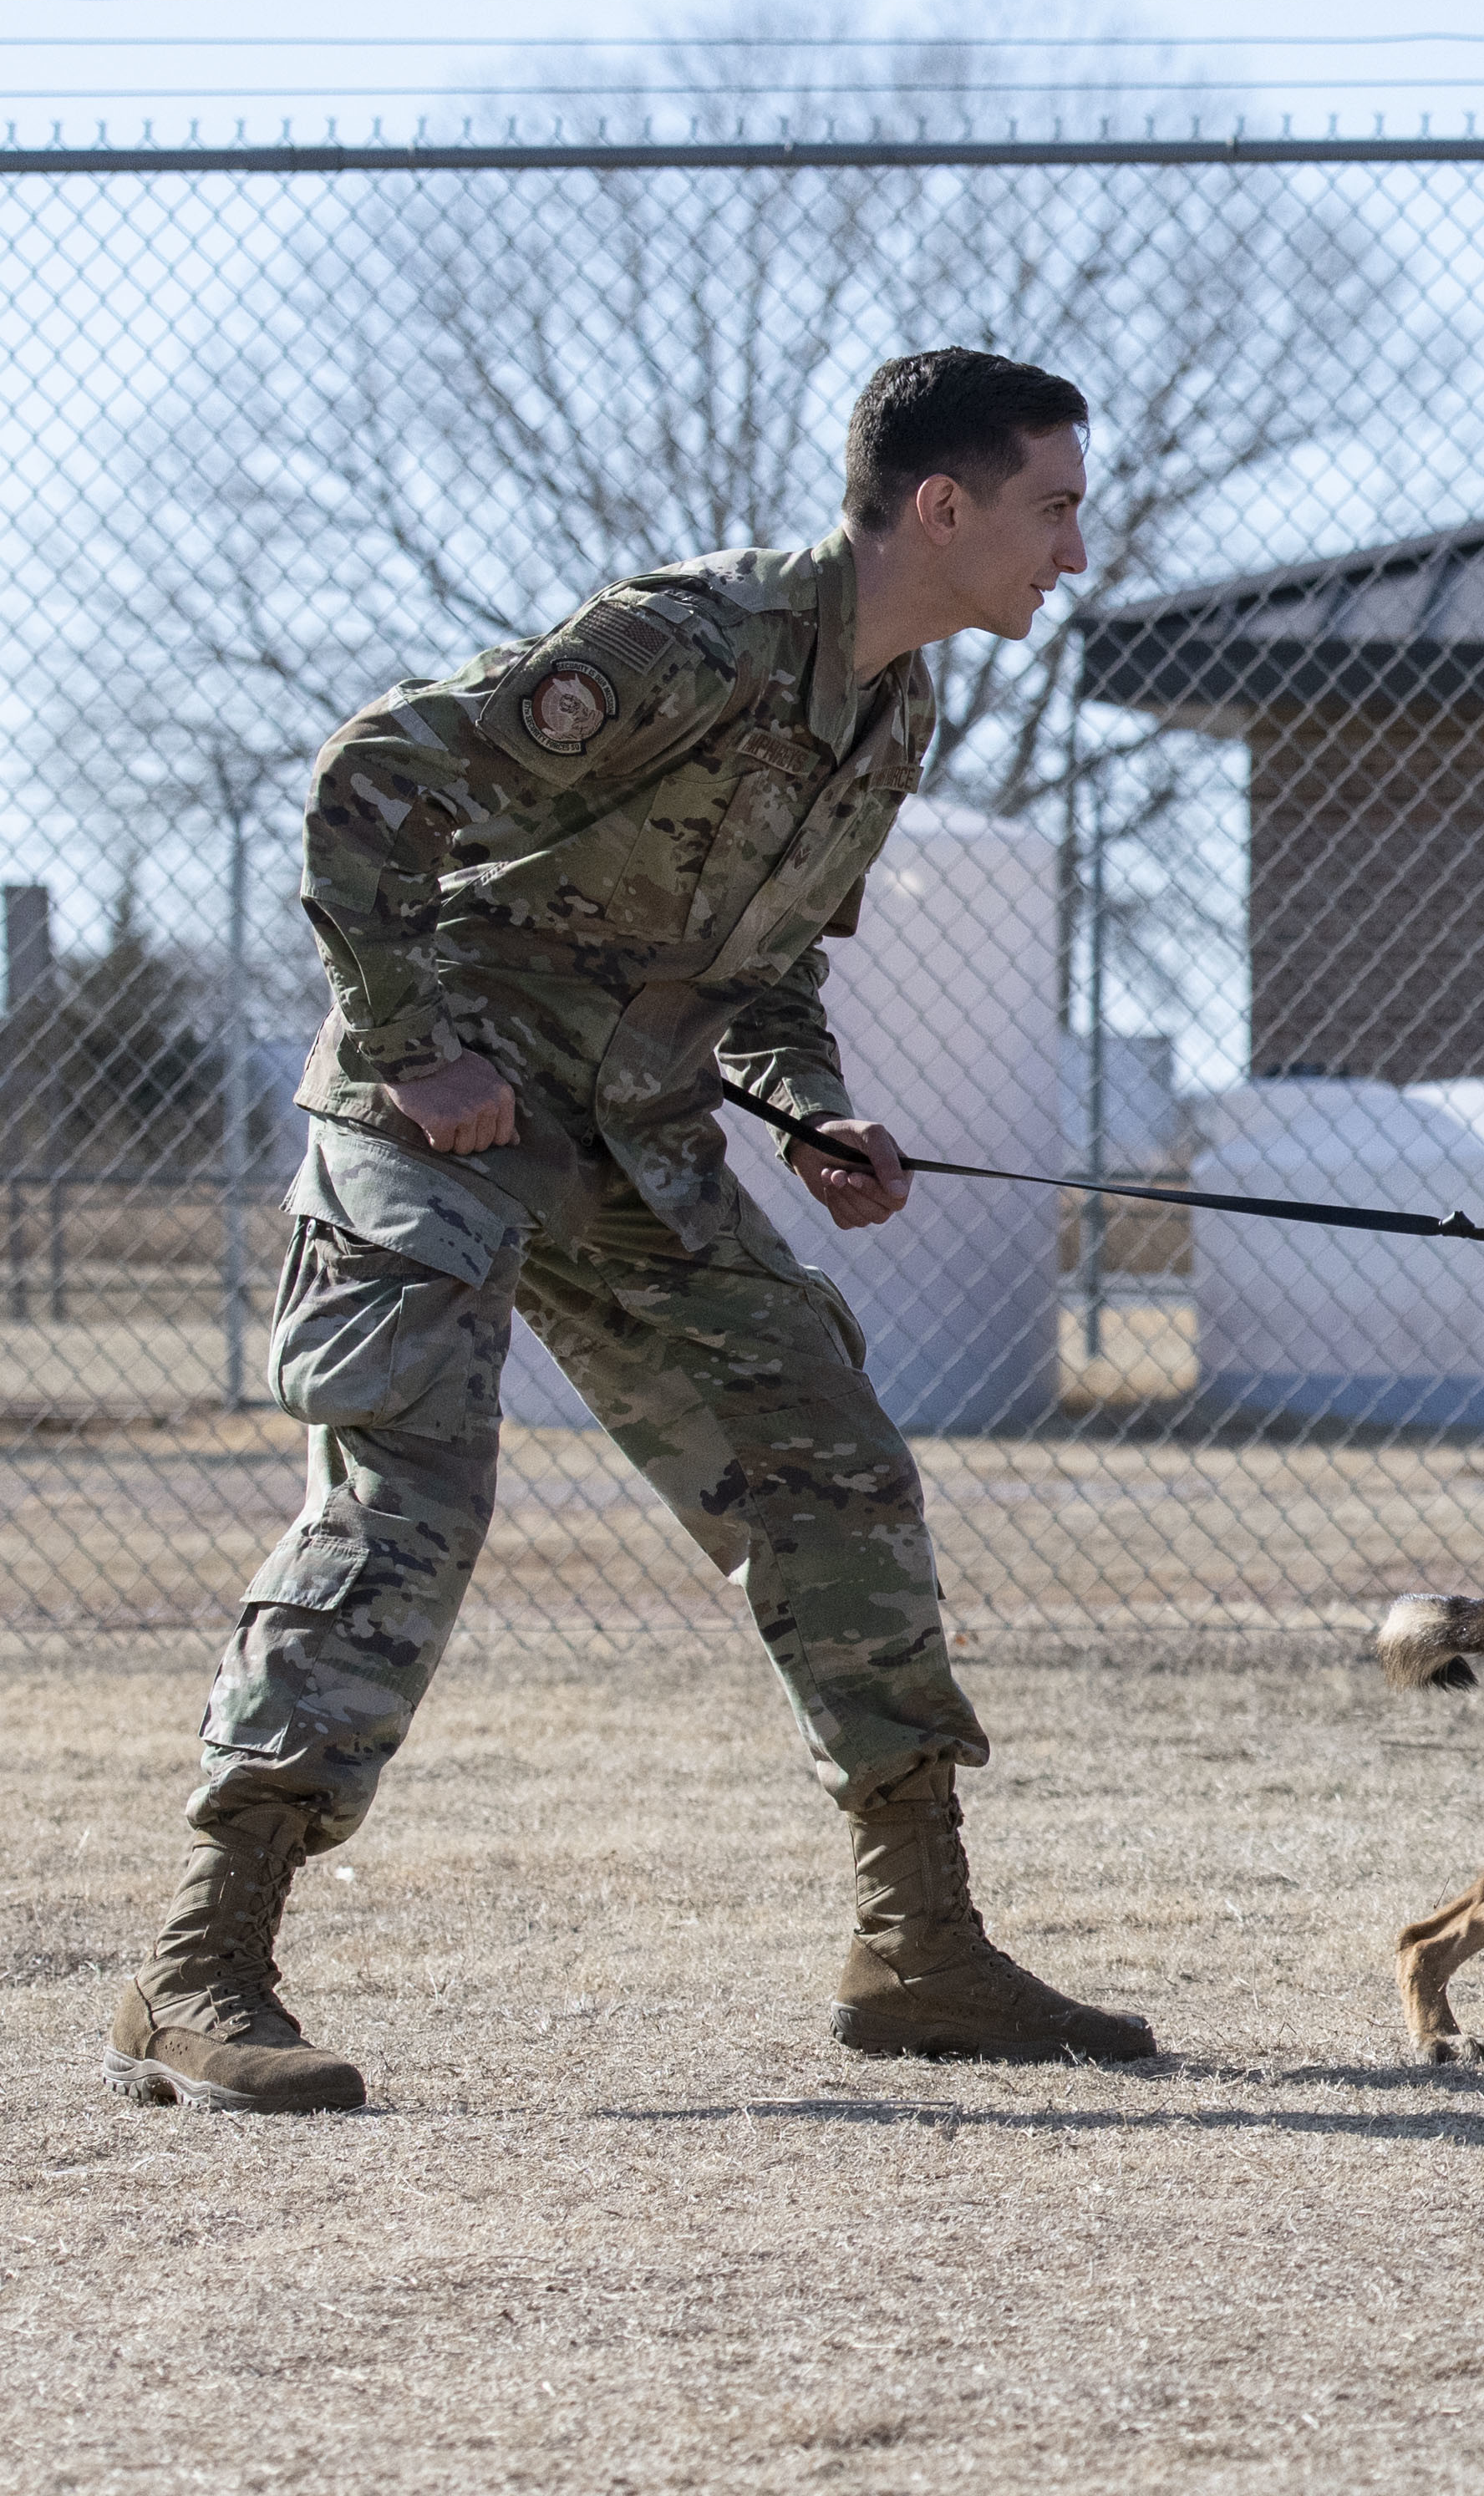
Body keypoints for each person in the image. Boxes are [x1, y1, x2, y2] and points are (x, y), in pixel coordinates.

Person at [107, 349, 1155, 2112]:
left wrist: (808, 1107)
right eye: (1052, 509)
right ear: (942, 505)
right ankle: (197, 1971)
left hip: (631, 1133)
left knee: (826, 1457)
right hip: (441, 1104)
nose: (1072, 550)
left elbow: (764, 973)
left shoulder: (892, 711)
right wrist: (415, 1044)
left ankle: (920, 1948)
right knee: (409, 1492)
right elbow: (371, 777)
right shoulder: (696, 643)